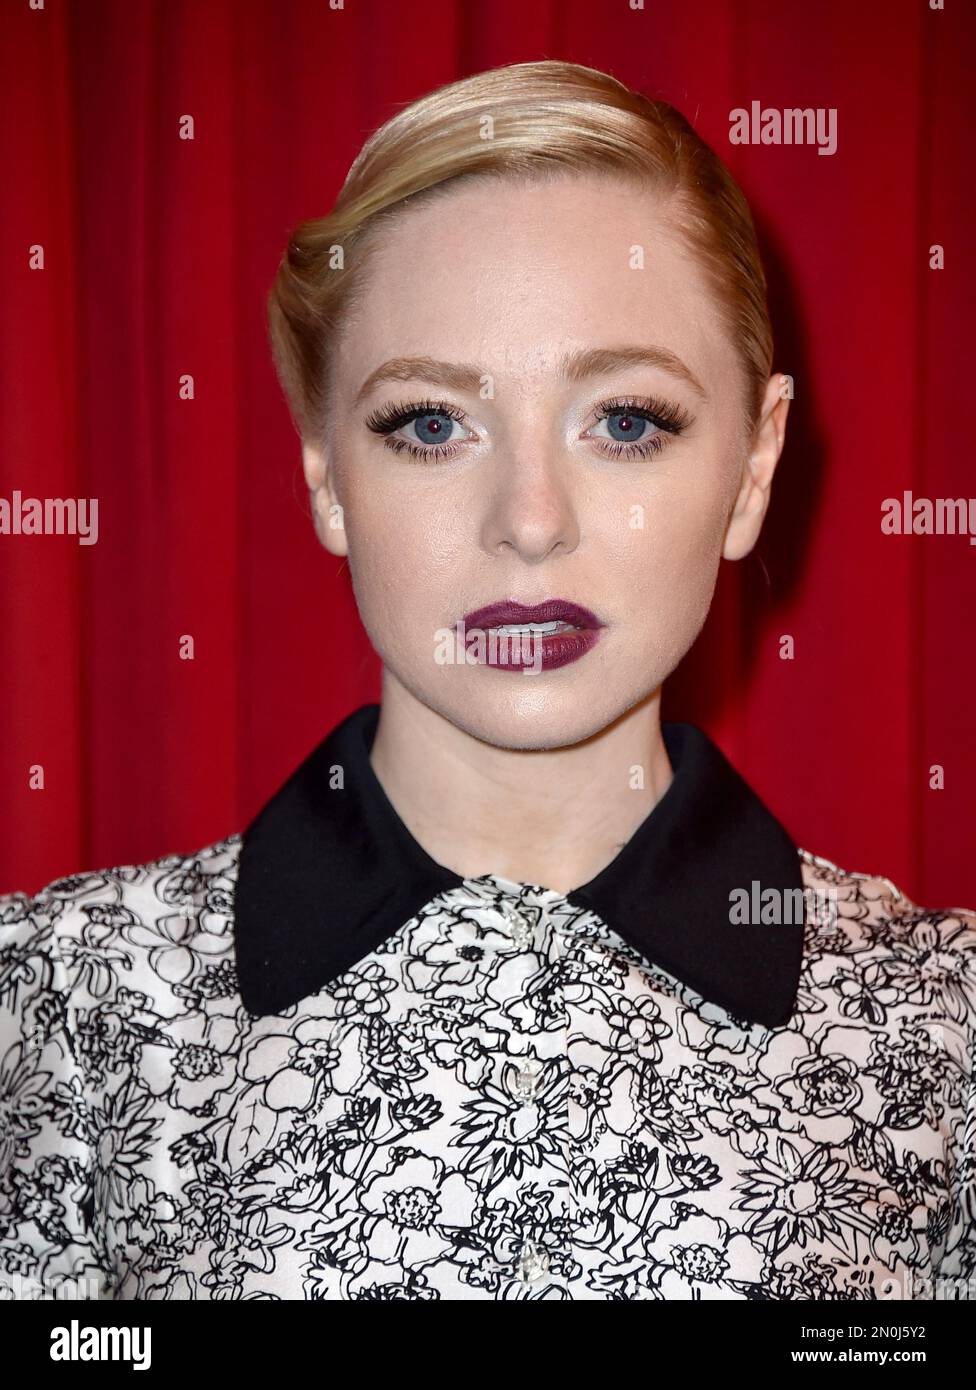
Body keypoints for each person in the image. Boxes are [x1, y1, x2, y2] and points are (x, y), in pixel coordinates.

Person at [1, 60, 973, 1302]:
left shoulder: (946, 1029)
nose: (528, 522)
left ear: (752, 465)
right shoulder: (58, 996)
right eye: (428, 422)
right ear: (324, 478)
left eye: (625, 420)